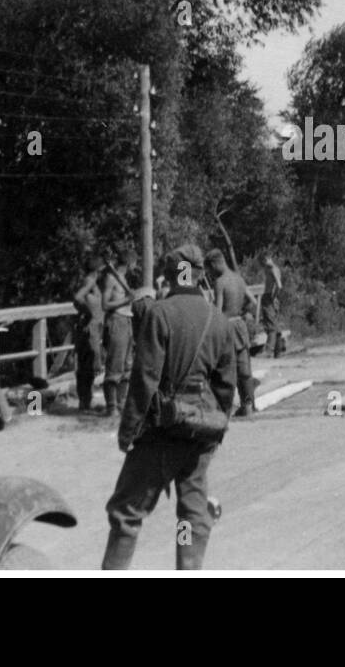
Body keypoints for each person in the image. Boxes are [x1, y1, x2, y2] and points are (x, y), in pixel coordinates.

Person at [102, 244, 236, 570]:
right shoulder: (219, 320)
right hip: (202, 429)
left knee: (126, 512)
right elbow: (226, 385)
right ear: (200, 275)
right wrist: (213, 424)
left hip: (162, 432)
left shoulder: (160, 314)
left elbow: (145, 378)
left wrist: (128, 431)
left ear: (173, 276)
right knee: (191, 514)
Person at [206, 249, 258, 416]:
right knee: (244, 368)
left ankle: (224, 407)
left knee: (226, 369)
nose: (211, 274)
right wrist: (245, 313)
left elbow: (218, 310)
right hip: (240, 326)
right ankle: (248, 404)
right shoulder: (238, 278)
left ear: (215, 264)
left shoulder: (220, 282)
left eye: (211, 270)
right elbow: (253, 301)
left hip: (226, 328)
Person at [100, 251, 136, 418]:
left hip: (127, 321)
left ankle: (121, 403)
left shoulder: (124, 279)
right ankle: (111, 406)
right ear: (131, 263)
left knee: (128, 366)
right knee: (115, 364)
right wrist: (126, 300)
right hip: (116, 321)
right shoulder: (111, 278)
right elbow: (105, 304)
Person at [72, 256, 106, 414]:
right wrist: (88, 311)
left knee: (87, 366)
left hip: (91, 327)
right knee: (89, 365)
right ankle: (84, 402)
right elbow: (77, 298)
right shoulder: (90, 281)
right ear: (98, 270)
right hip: (89, 329)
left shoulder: (88, 281)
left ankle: (85, 402)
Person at [259, 254, 288, 358]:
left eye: (263, 261)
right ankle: (278, 352)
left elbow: (279, 285)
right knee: (275, 325)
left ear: (267, 258)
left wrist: (273, 296)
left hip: (269, 298)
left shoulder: (272, 269)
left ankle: (268, 351)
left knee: (271, 326)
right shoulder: (274, 269)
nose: (263, 264)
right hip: (272, 298)